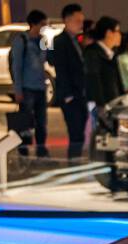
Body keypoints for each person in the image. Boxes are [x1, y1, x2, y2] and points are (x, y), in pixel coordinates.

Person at [49, 3, 88, 159]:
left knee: (79, 131)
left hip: (79, 93)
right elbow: (61, 70)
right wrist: (68, 96)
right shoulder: (60, 41)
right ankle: (73, 162)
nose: (80, 24)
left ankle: (76, 160)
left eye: (81, 21)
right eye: (77, 21)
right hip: (70, 95)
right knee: (75, 132)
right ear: (67, 20)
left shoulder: (75, 40)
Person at [10, 10, 50, 157]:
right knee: (25, 122)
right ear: (33, 24)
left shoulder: (43, 39)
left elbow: (47, 59)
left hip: (40, 87)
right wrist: (18, 90)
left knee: (42, 121)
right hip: (27, 88)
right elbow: (17, 66)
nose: (44, 27)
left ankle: (41, 149)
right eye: (42, 24)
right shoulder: (21, 40)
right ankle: (24, 149)